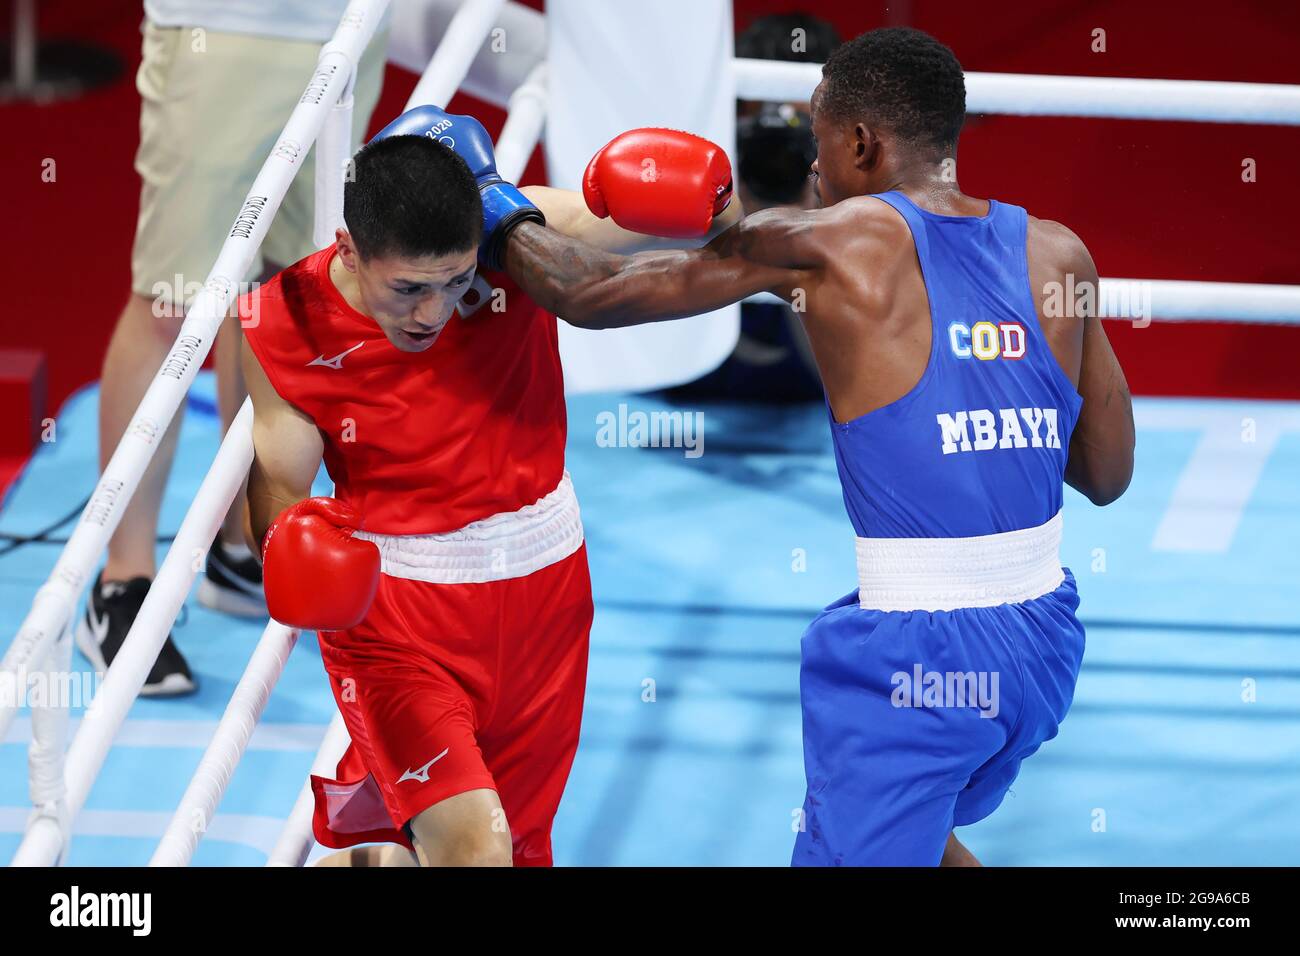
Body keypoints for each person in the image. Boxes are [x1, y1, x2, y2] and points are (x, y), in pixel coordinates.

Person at [498, 27, 1136, 865]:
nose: (812, 165)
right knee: (916, 833)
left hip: (920, 664)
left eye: (819, 141)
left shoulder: (826, 242)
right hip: (1045, 644)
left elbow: (590, 292)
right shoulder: (1059, 252)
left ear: (862, 143)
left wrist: (486, 204)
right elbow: (1106, 474)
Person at [241, 114, 738, 866]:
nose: (434, 312)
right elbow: (278, 485)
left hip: (546, 597)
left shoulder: (512, 237)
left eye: (456, 281)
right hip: (396, 622)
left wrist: (717, 198)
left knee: (505, 846)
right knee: (477, 850)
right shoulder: (289, 320)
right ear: (348, 247)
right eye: (408, 288)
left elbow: (669, 226)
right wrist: (287, 546)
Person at [79, 2, 388, 696]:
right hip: (221, 23)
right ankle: (122, 583)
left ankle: (241, 545)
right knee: (173, 301)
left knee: (282, 295)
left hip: (347, 27)